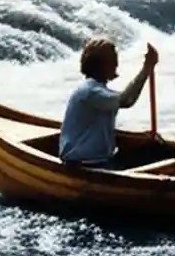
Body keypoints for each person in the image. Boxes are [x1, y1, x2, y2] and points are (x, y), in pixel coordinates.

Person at [58, 36, 158, 167]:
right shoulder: (90, 91)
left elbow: (126, 98)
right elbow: (126, 100)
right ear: (101, 65)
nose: (116, 65)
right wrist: (146, 68)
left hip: (100, 159)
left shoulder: (99, 89)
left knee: (154, 152)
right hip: (83, 162)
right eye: (112, 61)